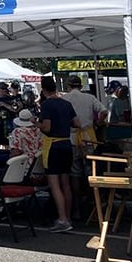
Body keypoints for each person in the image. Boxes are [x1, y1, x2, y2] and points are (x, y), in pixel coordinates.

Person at [38, 75, 80, 232]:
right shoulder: (66, 103)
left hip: (53, 145)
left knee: (54, 185)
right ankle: (67, 217)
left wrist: (36, 123)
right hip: (66, 144)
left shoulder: (46, 105)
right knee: (66, 184)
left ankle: (62, 219)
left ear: (44, 90)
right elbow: (77, 123)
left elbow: (47, 127)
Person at [62, 76, 107, 220]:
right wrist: (97, 123)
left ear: (68, 86)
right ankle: (94, 206)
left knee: (75, 173)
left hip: (72, 138)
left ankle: (77, 209)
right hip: (88, 138)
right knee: (90, 171)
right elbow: (104, 111)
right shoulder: (89, 98)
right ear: (81, 86)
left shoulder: (64, 99)